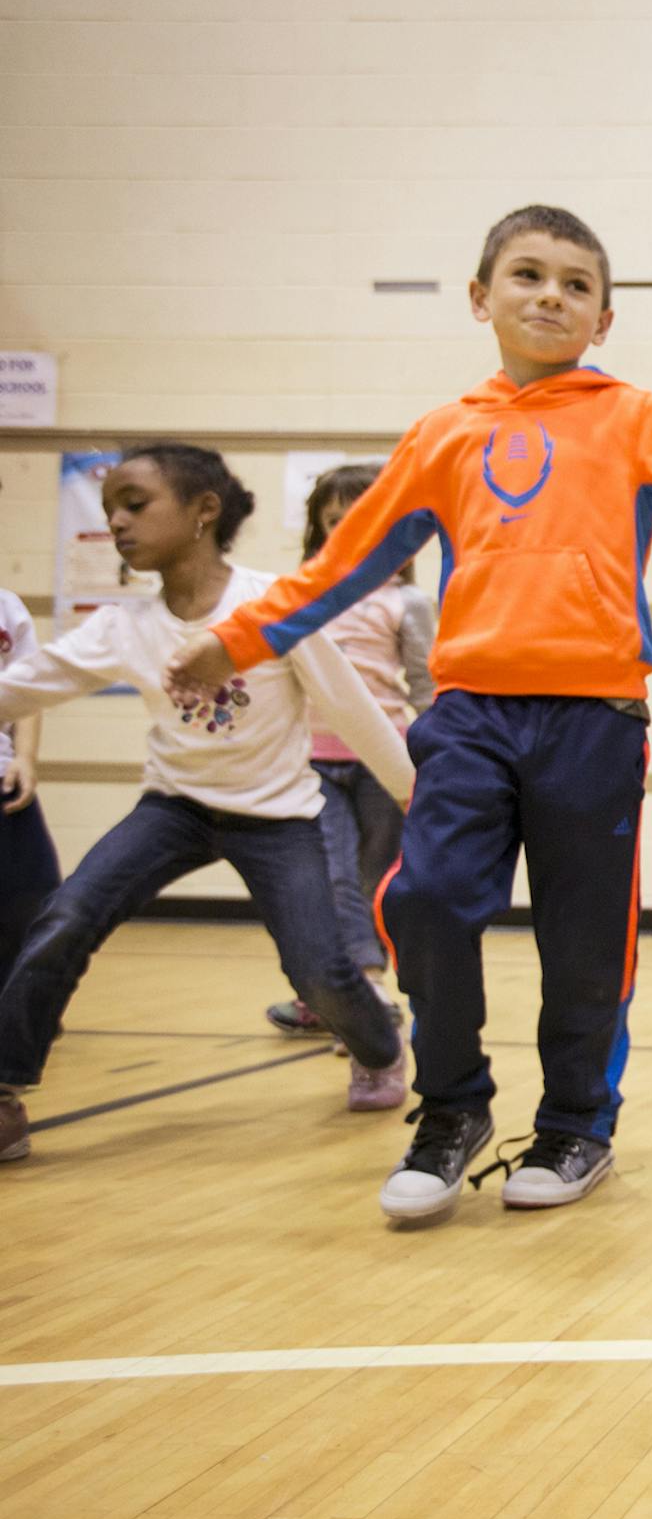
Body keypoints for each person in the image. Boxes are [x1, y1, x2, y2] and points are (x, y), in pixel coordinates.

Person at [163, 204, 652, 1222]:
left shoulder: (633, 417)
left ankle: (578, 1126)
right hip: (471, 714)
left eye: (576, 285)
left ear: (605, 318)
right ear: (482, 297)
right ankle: (451, 1110)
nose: (551, 296)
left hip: (595, 721)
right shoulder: (444, 435)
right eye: (528, 276)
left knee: (585, 941)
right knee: (428, 899)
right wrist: (233, 641)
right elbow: (339, 567)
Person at [0, 445, 414, 1163]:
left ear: (203, 512)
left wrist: (422, 800)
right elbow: (25, 683)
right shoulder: (121, 626)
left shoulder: (273, 607)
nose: (119, 525)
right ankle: (4, 1091)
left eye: (135, 505)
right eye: (110, 513)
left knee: (318, 969)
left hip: (279, 815)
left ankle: (379, 1047)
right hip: (175, 808)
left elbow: (354, 712)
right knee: (67, 916)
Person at [262, 462, 435, 1036]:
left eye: (360, 518)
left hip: (383, 762)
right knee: (331, 876)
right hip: (312, 764)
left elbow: (424, 687)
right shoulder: (300, 596)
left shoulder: (405, 603)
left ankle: (339, 993)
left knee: (375, 879)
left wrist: (438, 759)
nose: (345, 530)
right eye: (333, 520)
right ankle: (365, 990)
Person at [0, 470, 62, 1002]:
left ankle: (15, 1000)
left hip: (3, 777)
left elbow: (28, 689)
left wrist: (26, 756)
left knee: (35, 889)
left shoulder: (7, 605)